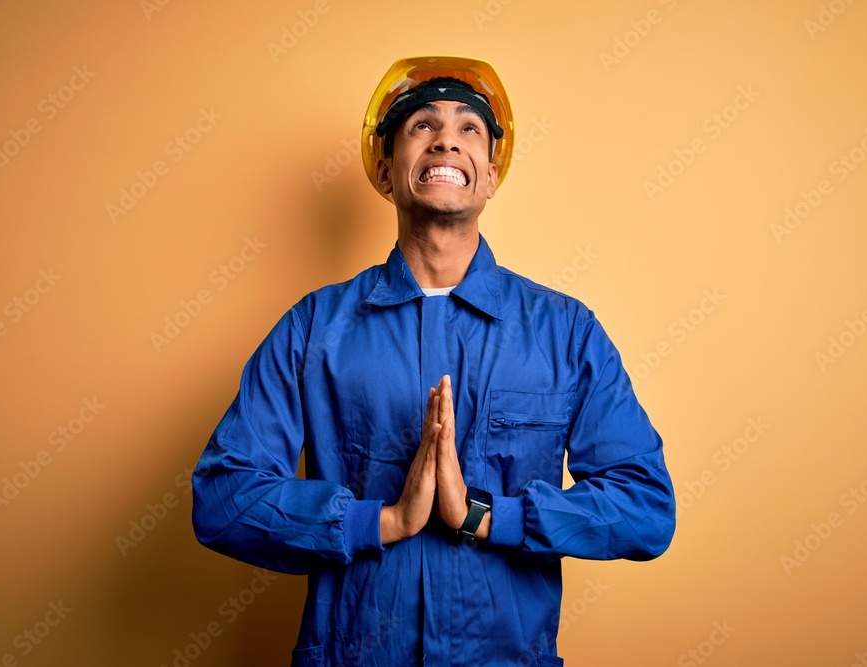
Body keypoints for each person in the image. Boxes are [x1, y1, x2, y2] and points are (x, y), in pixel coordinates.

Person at [192, 55, 676, 667]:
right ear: (386, 169)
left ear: (491, 175)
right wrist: (382, 521)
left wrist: (483, 516)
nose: (447, 136)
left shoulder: (566, 333)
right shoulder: (313, 329)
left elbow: (645, 509)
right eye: (422, 125)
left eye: (469, 128)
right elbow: (222, 498)